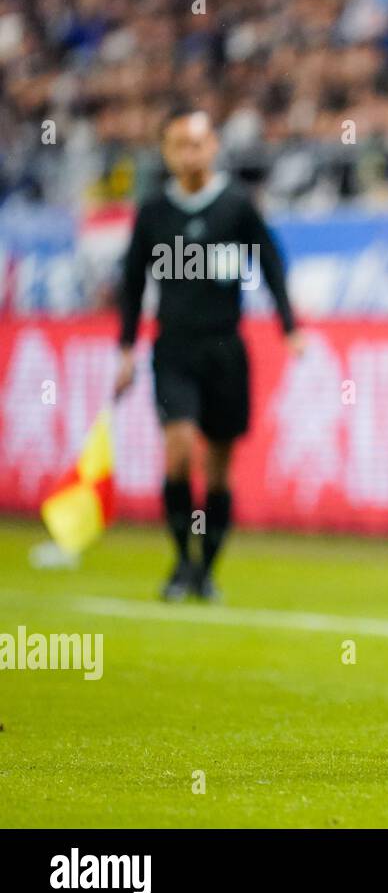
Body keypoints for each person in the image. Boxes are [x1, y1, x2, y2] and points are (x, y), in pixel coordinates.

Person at [114, 108, 302, 601]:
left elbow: (271, 261)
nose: (189, 154)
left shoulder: (236, 205)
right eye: (179, 145)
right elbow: (133, 282)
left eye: (197, 144)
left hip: (225, 352)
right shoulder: (154, 212)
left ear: (213, 147)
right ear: (166, 152)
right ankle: (180, 561)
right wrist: (126, 348)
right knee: (178, 453)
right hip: (173, 349)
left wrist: (288, 326)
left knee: (218, 466)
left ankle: (206, 569)